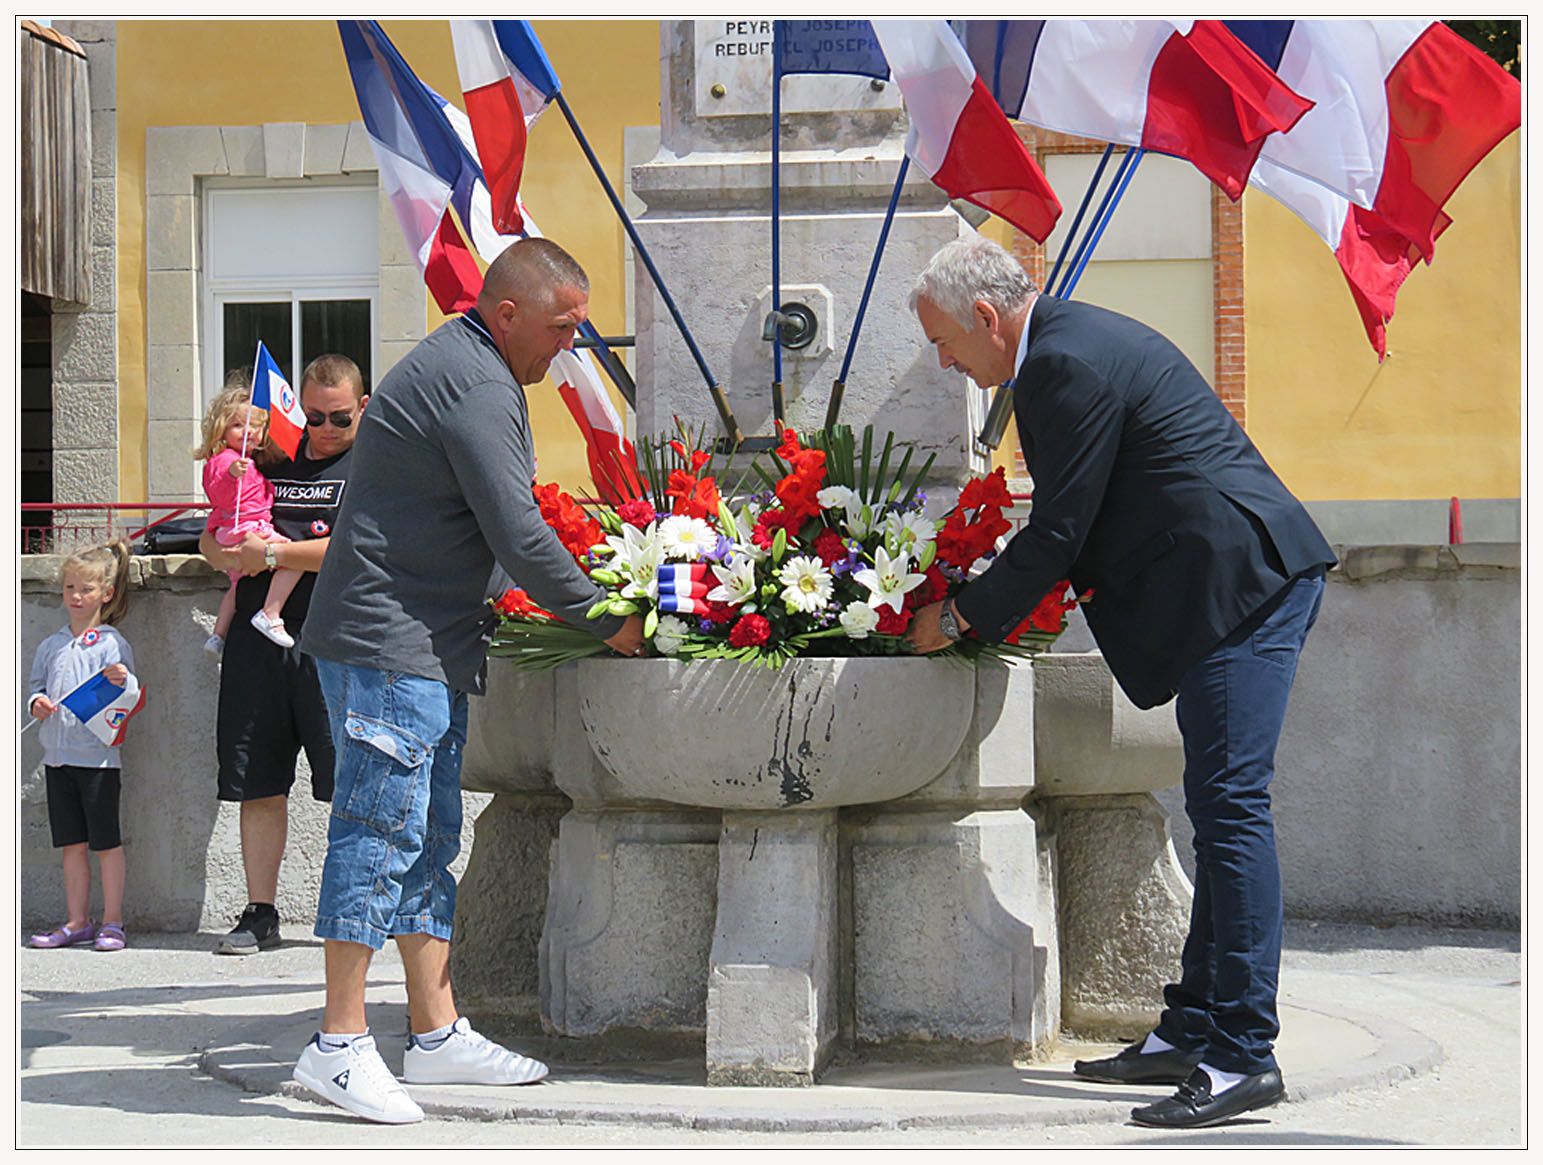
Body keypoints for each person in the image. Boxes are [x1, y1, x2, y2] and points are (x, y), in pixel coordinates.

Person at [904, 237, 1335, 1130]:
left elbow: (1060, 531)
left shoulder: (1058, 363)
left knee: (1230, 808)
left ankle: (1241, 1053)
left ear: (985, 317)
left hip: (1240, 585)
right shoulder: (1067, 343)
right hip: (1224, 583)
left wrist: (955, 617)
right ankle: (1192, 1029)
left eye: (945, 341)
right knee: (1220, 807)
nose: (945, 361)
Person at [293, 237, 644, 1125]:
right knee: (375, 835)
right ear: (509, 311)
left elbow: (472, 530)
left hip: (424, 641)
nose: (570, 346)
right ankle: (336, 1043)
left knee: (424, 835)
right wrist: (608, 617)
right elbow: (519, 533)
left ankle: (437, 1032)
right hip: (389, 644)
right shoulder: (479, 381)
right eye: (563, 327)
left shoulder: (468, 365)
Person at [199, 355, 369, 957]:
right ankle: (260, 911)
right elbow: (213, 531)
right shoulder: (273, 456)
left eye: (338, 417)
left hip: (333, 642)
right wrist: (225, 553)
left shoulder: (372, 464)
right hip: (256, 638)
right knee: (258, 782)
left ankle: (352, 916)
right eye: (313, 414)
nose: (323, 427)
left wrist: (271, 557)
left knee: (348, 787)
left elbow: (350, 550)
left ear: (362, 408)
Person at [26, 540, 138, 953]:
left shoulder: (112, 643)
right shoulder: (51, 644)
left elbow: (130, 694)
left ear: (106, 594)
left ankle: (113, 921)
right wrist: (36, 703)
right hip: (57, 759)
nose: (76, 596)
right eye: (70, 588)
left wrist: (122, 679)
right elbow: (35, 687)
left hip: (98, 760)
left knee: (105, 843)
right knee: (71, 844)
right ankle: (77, 920)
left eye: (85, 589)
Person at [196, 384, 303, 654]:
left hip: (237, 528)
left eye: (254, 426)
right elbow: (218, 490)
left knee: (237, 585)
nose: (249, 432)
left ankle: (219, 634)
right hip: (243, 527)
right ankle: (270, 612)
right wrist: (232, 474)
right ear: (221, 429)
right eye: (238, 425)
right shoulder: (225, 460)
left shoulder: (246, 459)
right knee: (292, 558)